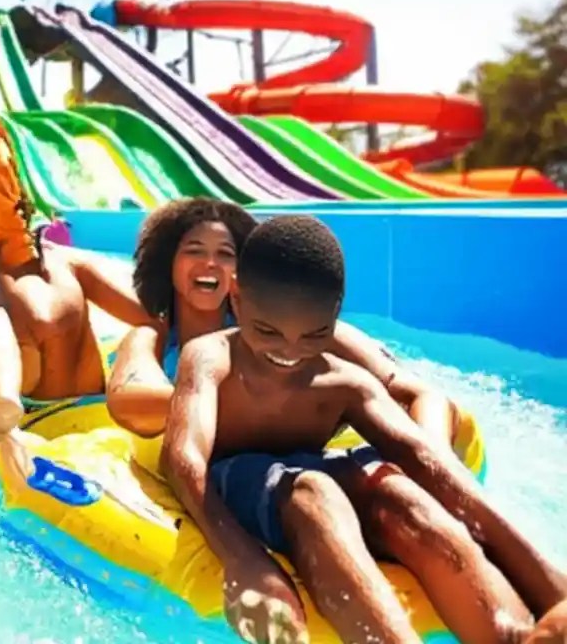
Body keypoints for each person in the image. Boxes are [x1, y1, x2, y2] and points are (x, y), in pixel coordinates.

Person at [161, 214, 567, 644]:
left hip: (315, 472)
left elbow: (430, 461)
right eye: (268, 331)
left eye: (315, 334)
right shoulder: (211, 357)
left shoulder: (346, 382)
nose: (290, 352)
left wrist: (550, 584)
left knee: (399, 491)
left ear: (336, 313)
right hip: (251, 479)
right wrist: (246, 561)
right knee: (315, 491)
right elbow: (182, 457)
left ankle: (514, 634)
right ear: (237, 295)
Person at [108, 197, 459, 451]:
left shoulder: (294, 333)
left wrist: (435, 464)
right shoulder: (153, 338)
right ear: (166, 264)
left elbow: (421, 393)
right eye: (195, 251)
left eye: (226, 254)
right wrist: (265, 408)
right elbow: (129, 401)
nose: (211, 263)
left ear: (244, 276)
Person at [0, 104, 152, 448]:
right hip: (73, 419)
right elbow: (152, 319)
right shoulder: (62, 264)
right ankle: (2, 395)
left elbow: (151, 318)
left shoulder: (57, 263)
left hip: (56, 426)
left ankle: (2, 396)